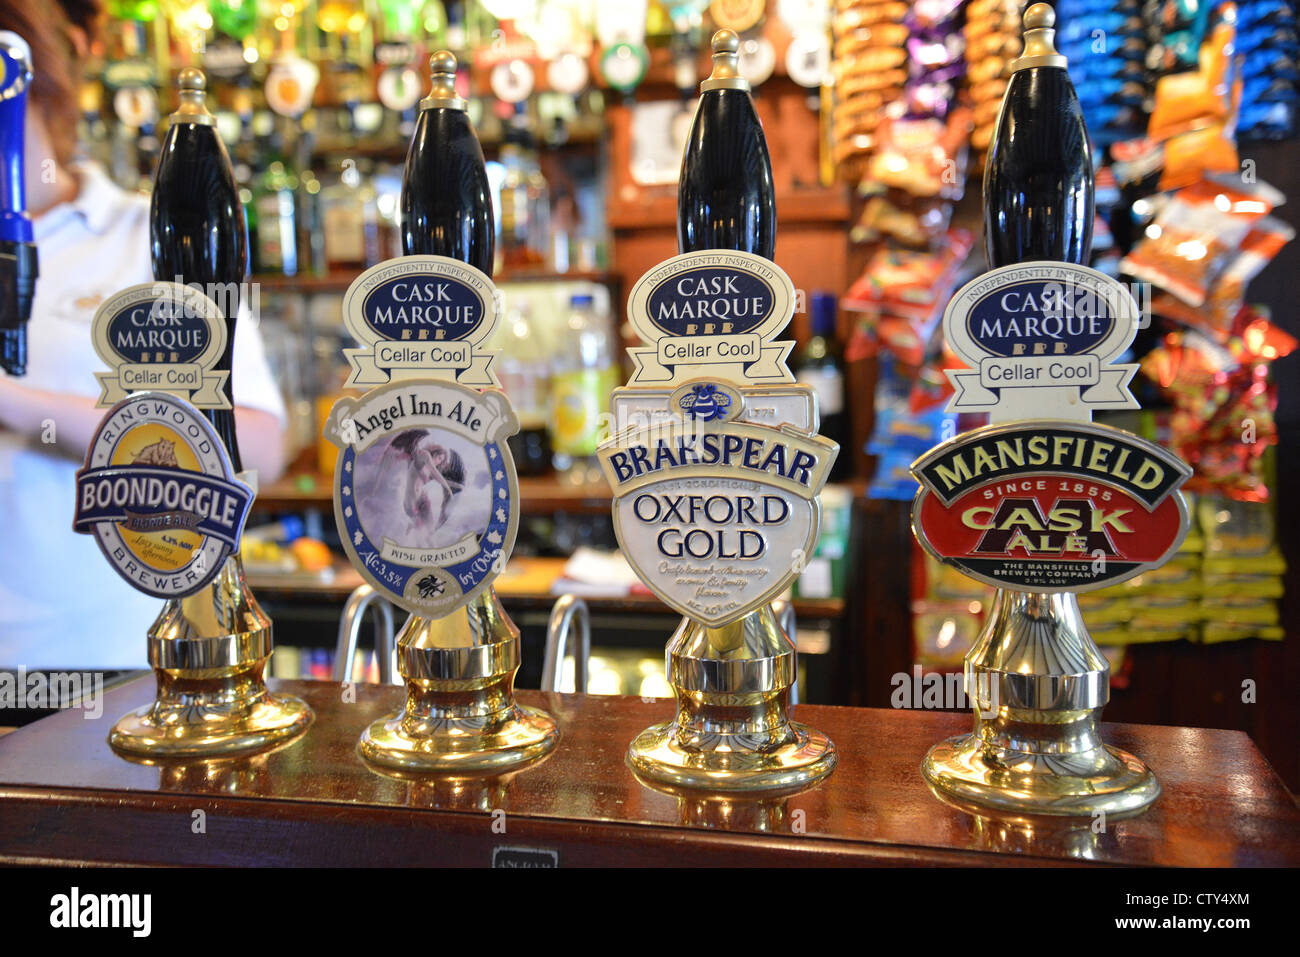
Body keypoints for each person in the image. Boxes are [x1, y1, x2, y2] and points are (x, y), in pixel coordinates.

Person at [0, 0, 287, 669]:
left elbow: (257, 444)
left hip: (112, 665)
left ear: (37, 79)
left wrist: (13, 402)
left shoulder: (146, 239)